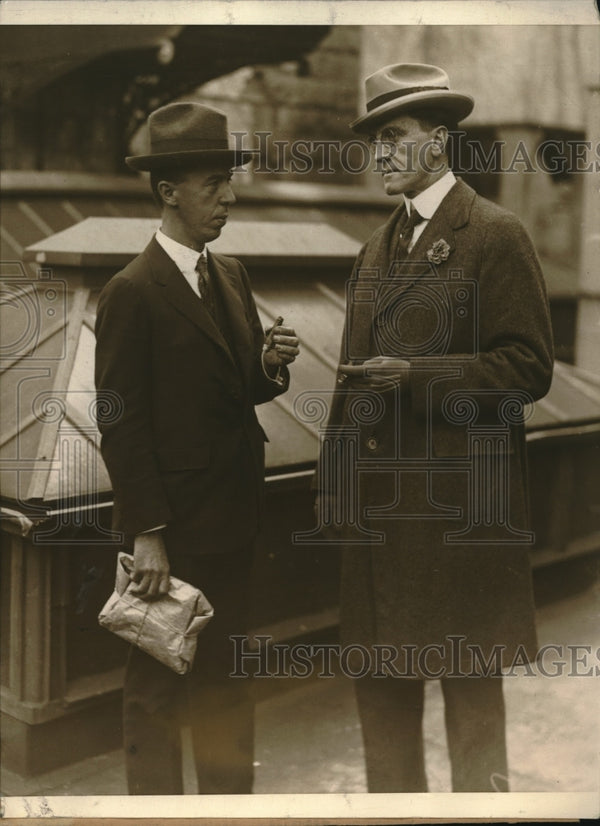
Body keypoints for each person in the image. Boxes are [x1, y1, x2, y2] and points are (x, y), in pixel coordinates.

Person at [314, 64, 554, 792]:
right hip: (380, 531)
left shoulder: (494, 234)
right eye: (375, 141)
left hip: (458, 529)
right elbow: (352, 378)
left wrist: (418, 379)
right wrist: (334, 489)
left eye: (394, 138)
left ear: (439, 142)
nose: (380, 154)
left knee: (473, 725)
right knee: (383, 717)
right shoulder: (373, 247)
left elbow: (527, 368)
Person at [95, 101, 299, 795]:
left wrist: (269, 365)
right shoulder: (131, 291)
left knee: (227, 686)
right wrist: (147, 534)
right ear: (168, 192)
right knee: (155, 695)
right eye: (213, 184)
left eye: (227, 181)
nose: (228, 198)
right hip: (173, 537)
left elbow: (236, 389)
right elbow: (120, 421)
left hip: (234, 523)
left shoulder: (230, 275)